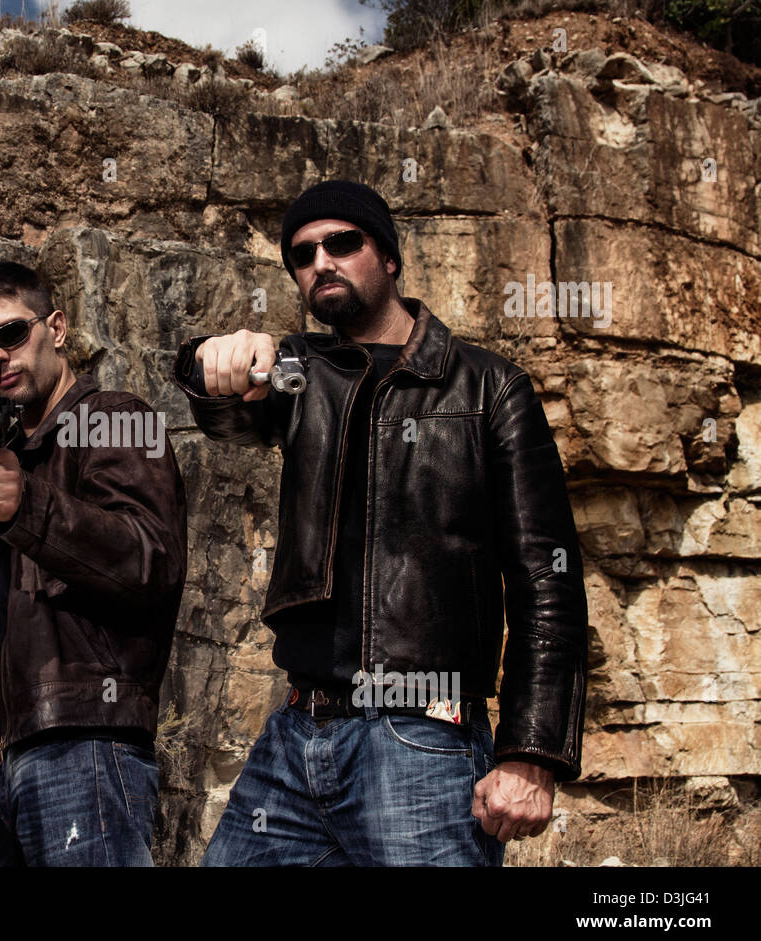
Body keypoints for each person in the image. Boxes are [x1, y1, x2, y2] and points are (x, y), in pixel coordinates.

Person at [175, 180, 588, 866]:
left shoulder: (488, 388)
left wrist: (532, 755)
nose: (321, 263)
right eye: (302, 255)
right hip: (296, 733)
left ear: (389, 258)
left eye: (343, 243)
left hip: (422, 738)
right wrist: (207, 359)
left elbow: (549, 579)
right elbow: (227, 411)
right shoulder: (297, 373)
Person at [0, 261, 187, 866]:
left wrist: (26, 505)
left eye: (9, 335)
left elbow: (152, 561)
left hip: (83, 742)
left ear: (55, 328)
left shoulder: (114, 417)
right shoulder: (10, 451)